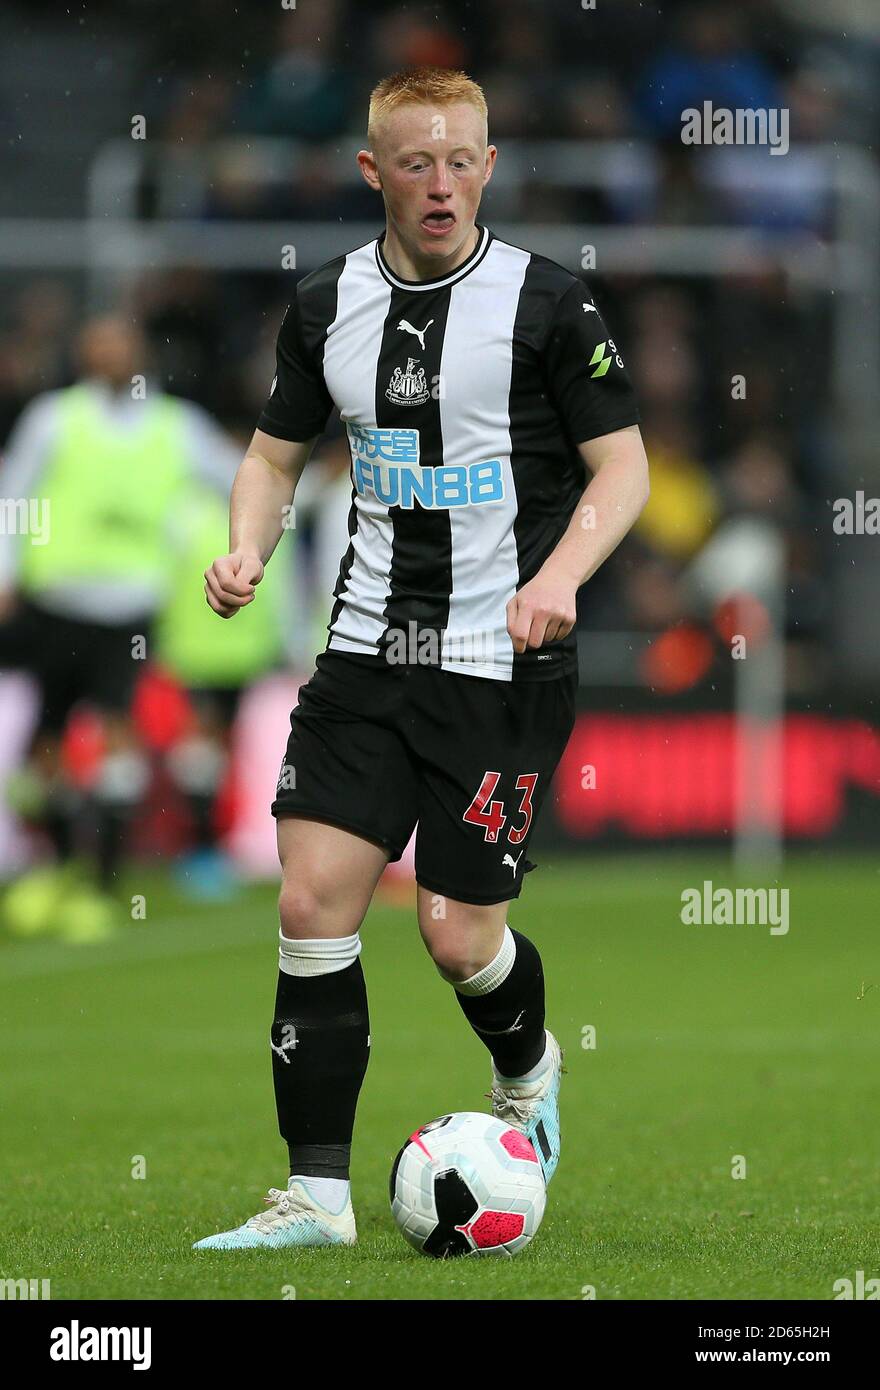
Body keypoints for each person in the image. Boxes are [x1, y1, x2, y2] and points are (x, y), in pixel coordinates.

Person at [195, 66, 649, 1249]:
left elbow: (626, 470)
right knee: (311, 901)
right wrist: (245, 545)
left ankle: (528, 1067)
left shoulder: (550, 306)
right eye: (415, 161)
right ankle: (316, 1197)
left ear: (489, 167)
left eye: (460, 160)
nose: (439, 183)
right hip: (363, 657)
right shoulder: (325, 304)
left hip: (501, 665)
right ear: (372, 172)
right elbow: (271, 457)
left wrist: (557, 579)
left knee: (452, 931)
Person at [0, 315, 238, 940]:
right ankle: (57, 867)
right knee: (42, 749)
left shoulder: (177, 427)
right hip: (55, 603)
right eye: (99, 346)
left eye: (120, 346)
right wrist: (5, 571)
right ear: (84, 356)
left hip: (130, 609)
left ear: (139, 355)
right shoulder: (54, 418)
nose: (110, 357)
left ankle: (101, 884)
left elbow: (242, 478)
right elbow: (14, 495)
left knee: (116, 740)